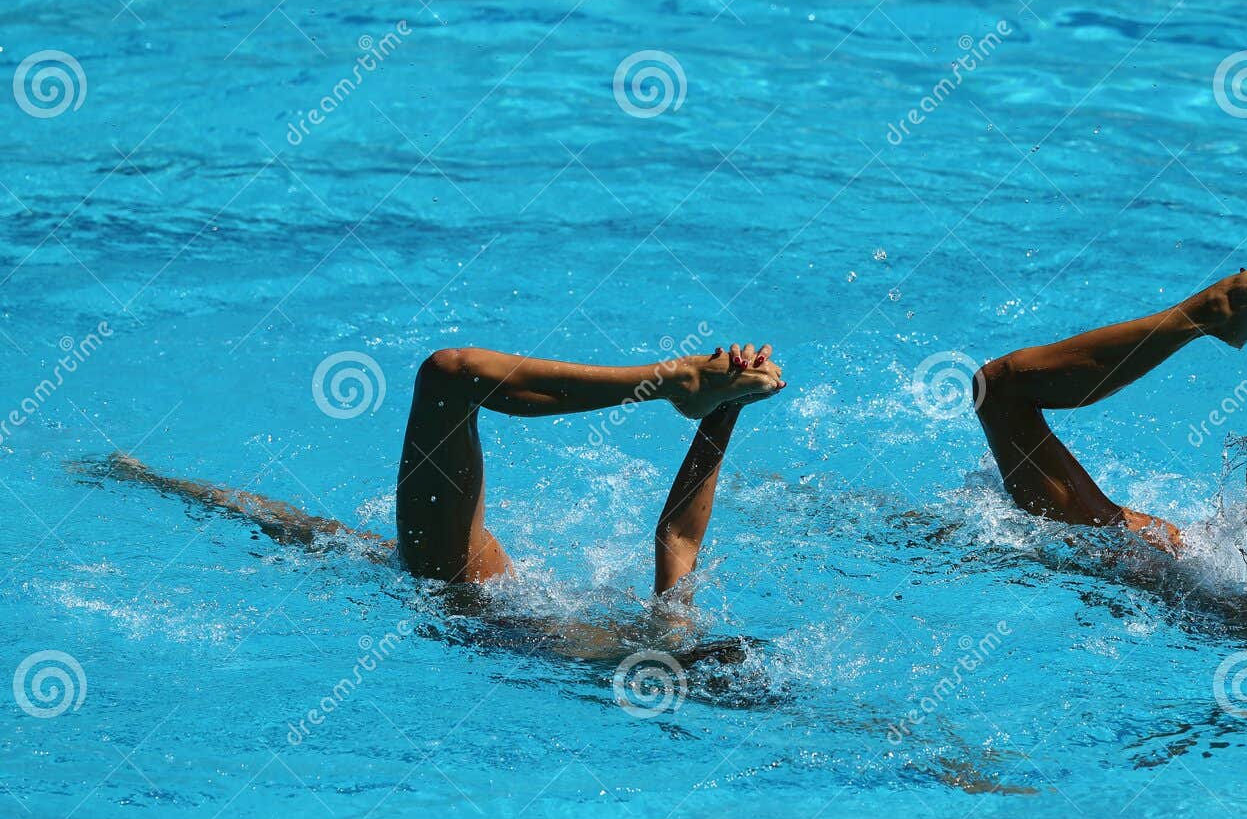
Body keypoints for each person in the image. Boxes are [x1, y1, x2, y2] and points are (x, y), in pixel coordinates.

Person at [97, 343, 784, 651]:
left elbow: (676, 538)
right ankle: (151, 479)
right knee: (309, 533)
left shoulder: (658, 650)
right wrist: (728, 408)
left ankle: (668, 380)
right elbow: (678, 537)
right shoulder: (672, 633)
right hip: (478, 582)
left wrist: (706, 399)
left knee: (450, 376)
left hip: (461, 593)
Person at [973, 247, 1247, 611]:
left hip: (1155, 567)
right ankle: (1201, 317)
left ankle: (1200, 316)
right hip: (1174, 563)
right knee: (999, 389)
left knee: (1000, 387)